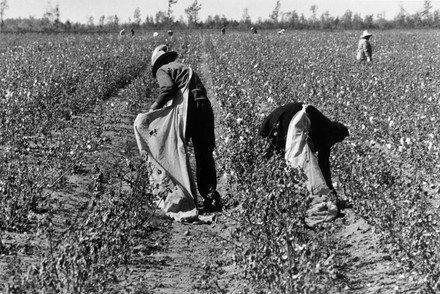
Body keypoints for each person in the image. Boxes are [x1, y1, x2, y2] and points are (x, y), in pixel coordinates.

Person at [149, 44, 223, 213]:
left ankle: (183, 196)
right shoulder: (182, 67)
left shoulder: (162, 70)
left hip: (190, 109)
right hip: (204, 106)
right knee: (204, 153)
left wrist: (154, 108)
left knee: (176, 150)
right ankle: (211, 197)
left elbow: (168, 89)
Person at [259, 102, 349, 207]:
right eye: (339, 140)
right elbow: (323, 164)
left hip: (277, 115)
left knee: (268, 155)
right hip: (290, 120)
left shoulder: (322, 122)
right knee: (284, 160)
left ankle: (267, 196)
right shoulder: (329, 131)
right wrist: (330, 191)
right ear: (337, 135)